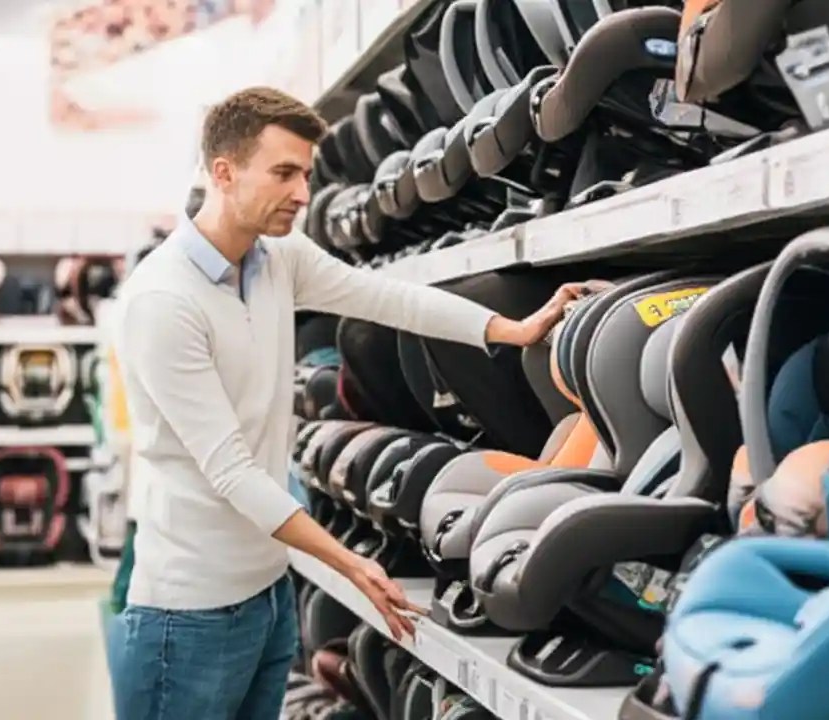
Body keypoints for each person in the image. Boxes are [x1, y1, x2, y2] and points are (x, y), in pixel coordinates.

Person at [108, 86, 588, 720]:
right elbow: (231, 471)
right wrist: (351, 563)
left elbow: (392, 299)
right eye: (284, 173)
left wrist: (512, 329)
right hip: (188, 613)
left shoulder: (275, 258)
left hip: (266, 596)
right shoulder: (164, 301)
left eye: (306, 173)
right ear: (223, 173)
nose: (303, 193)